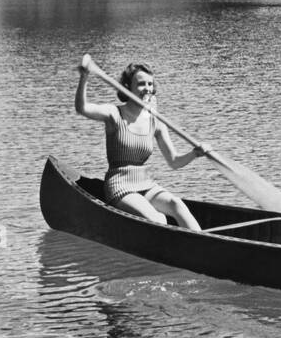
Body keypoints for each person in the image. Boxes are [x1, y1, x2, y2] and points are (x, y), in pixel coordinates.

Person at [75, 55, 208, 230]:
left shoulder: (156, 120)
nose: (147, 88)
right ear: (128, 87)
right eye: (141, 84)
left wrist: (194, 154)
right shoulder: (114, 114)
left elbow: (174, 161)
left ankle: (202, 245)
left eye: (150, 84)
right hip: (120, 186)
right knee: (158, 220)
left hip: (146, 184)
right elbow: (82, 108)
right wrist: (84, 77)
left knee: (177, 205)